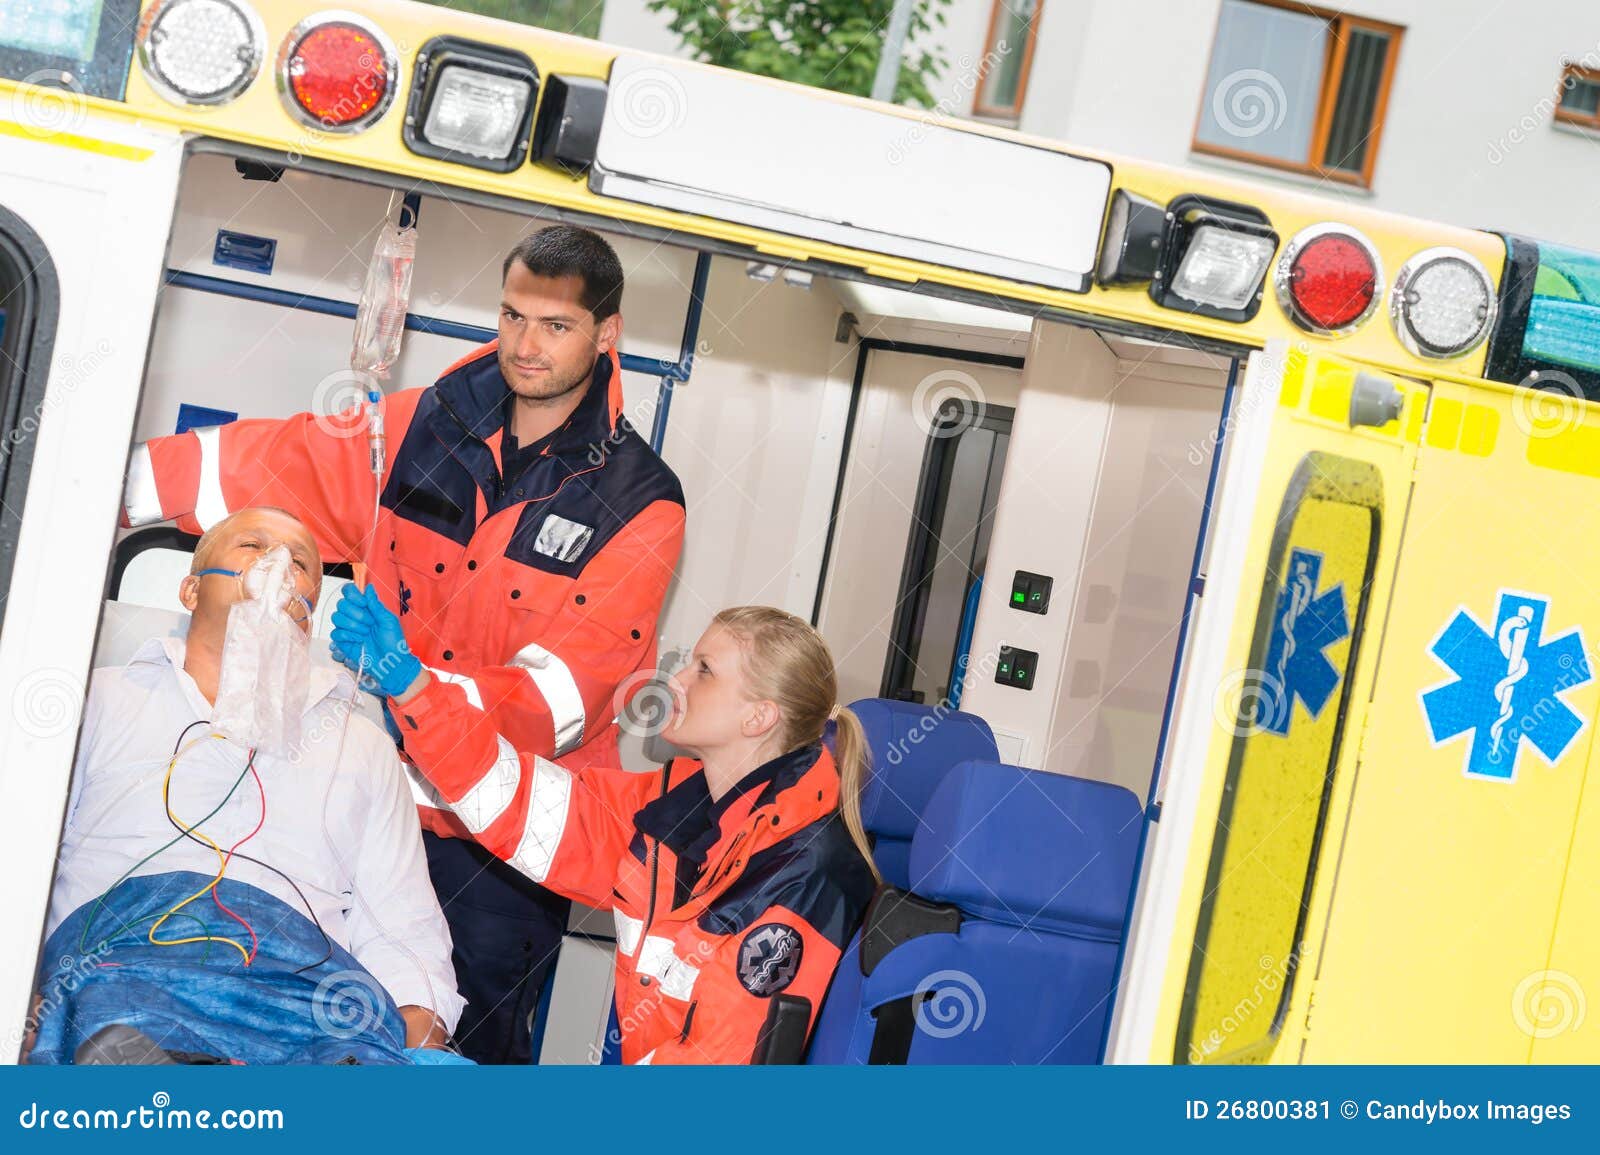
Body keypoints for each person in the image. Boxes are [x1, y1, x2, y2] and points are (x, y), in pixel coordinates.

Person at [120, 225, 686, 1063]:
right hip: (372, 803)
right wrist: (98, 479)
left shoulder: (641, 502)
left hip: (498, 837)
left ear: (608, 335)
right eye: (512, 317)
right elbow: (269, 465)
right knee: (325, 1035)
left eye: (555, 327)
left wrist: (410, 684)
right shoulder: (422, 424)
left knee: (463, 1058)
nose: (526, 346)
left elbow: (559, 705)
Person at [333, 601, 880, 1064]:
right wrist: (412, 687)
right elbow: (515, 799)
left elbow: (715, 1068)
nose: (677, 681)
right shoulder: (677, 806)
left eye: (704, 670)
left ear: (759, 717)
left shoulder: (802, 864)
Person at [30, 508, 463, 1065]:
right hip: (125, 971)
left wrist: (411, 1046)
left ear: (309, 611)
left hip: (303, 995)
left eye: (301, 562)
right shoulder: (95, 702)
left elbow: (403, 926)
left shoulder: (362, 747)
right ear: (190, 590)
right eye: (252, 546)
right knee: (111, 1026)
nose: (278, 563)